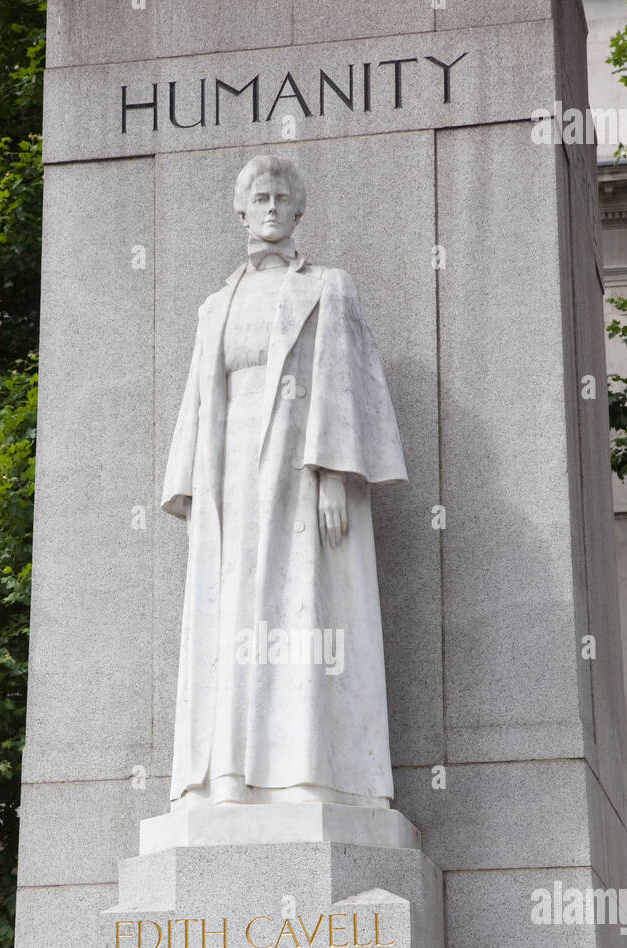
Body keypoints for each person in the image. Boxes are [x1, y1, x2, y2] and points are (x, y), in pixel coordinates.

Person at [161, 154, 407, 809]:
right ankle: (227, 779)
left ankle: (306, 773)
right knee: (233, 616)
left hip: (300, 466)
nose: (270, 208)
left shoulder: (330, 286)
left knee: (301, 610)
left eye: (282, 198)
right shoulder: (214, 305)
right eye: (260, 198)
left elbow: (344, 385)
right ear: (241, 210)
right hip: (231, 473)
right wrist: (192, 486)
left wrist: (333, 474)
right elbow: (199, 397)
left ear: (299, 211)